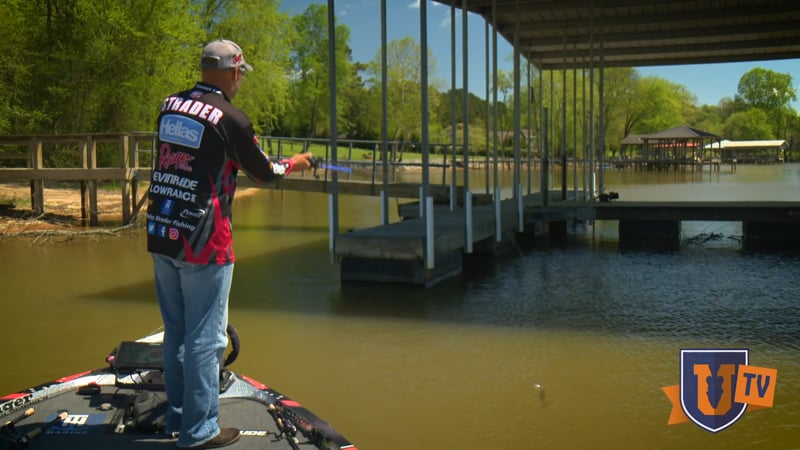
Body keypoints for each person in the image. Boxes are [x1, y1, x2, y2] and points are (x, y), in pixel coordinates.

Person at [146, 39, 313, 449]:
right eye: (240, 72)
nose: (240, 79)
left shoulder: (169, 105)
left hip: (162, 231)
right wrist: (298, 162)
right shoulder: (231, 118)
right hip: (205, 242)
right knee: (207, 338)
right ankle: (200, 432)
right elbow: (266, 171)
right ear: (232, 71)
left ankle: (178, 419)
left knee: (177, 332)